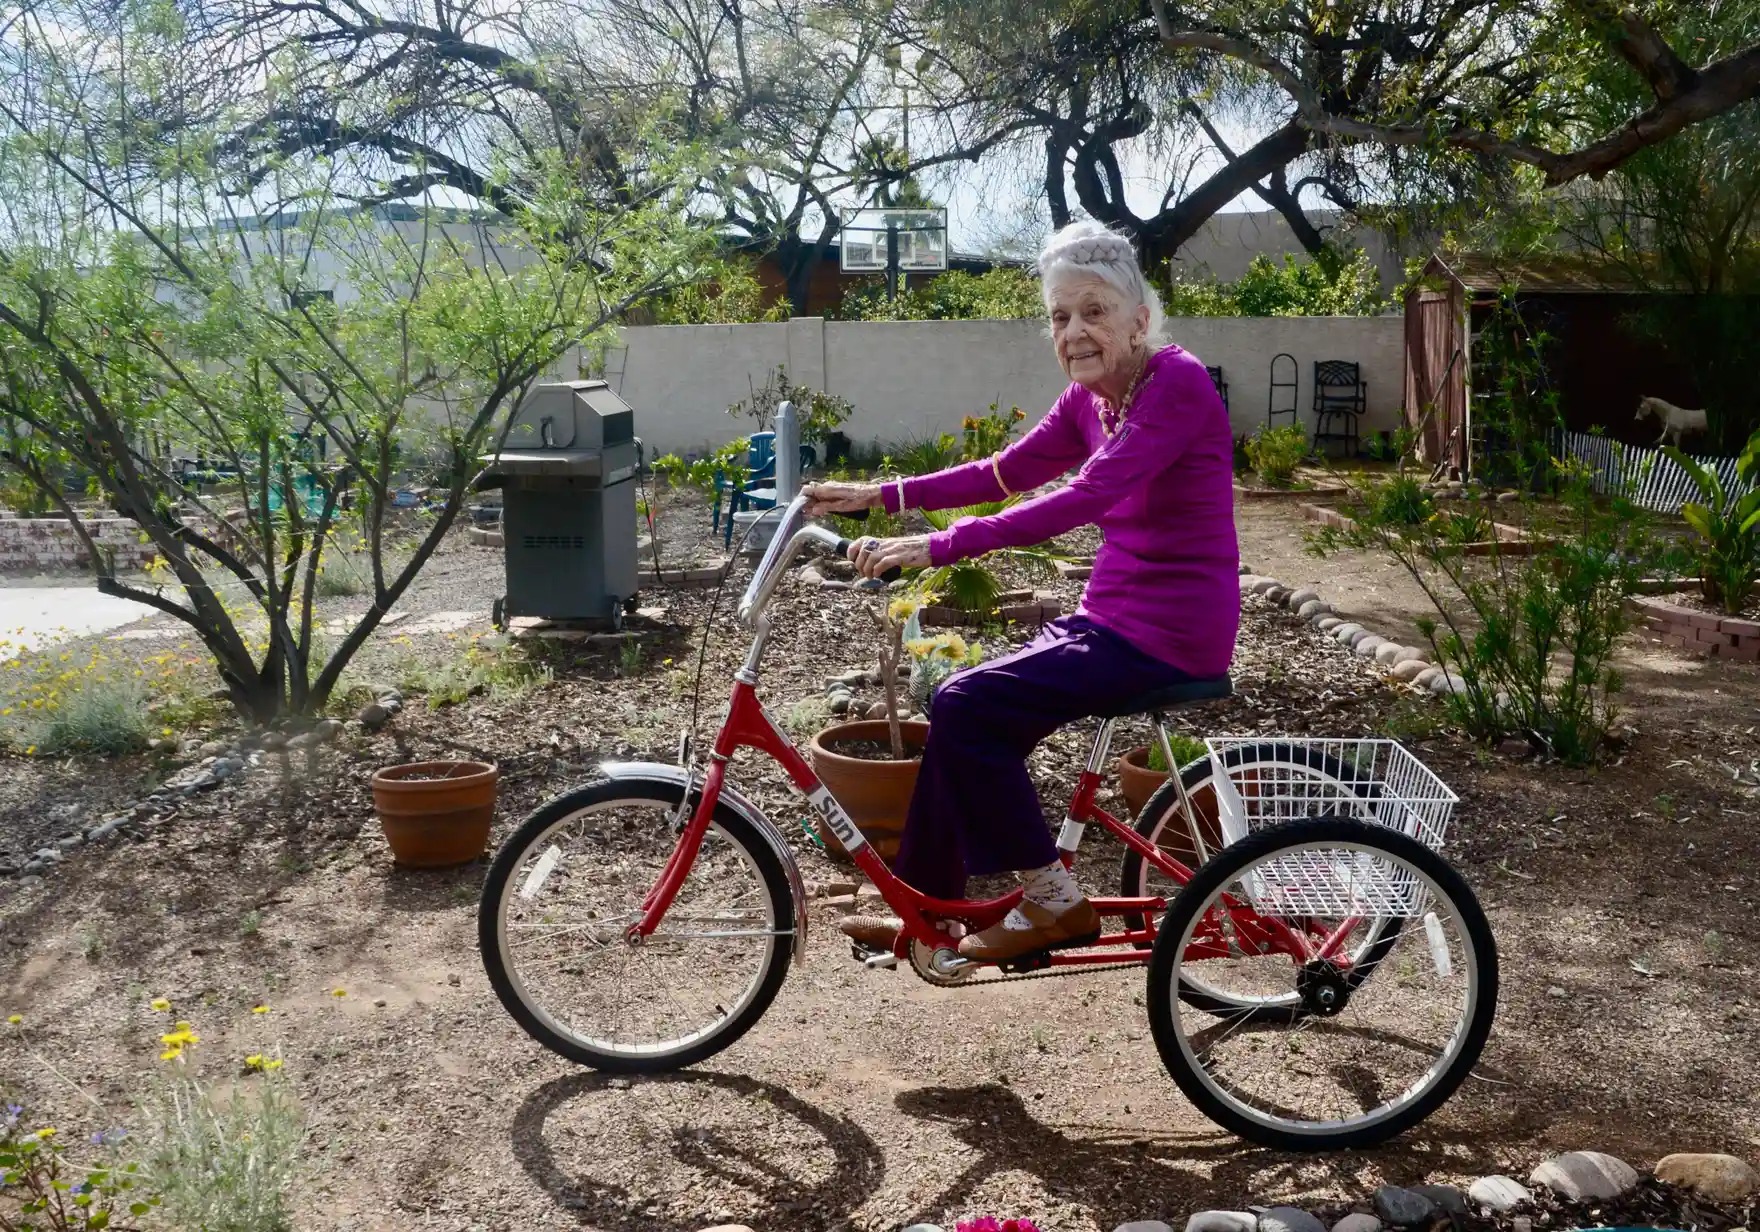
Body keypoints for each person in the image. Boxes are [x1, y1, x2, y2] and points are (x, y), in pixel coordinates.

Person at [801, 219, 1239, 963]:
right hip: (1113, 620)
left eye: (1094, 311)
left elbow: (1085, 496)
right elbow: (1003, 472)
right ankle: (928, 914)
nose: (1074, 332)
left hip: (1169, 631)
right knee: (962, 708)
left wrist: (940, 544)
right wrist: (880, 494)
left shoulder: (1177, 384)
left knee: (967, 703)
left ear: (1140, 320)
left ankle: (1052, 903)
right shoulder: (1090, 401)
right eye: (1060, 316)